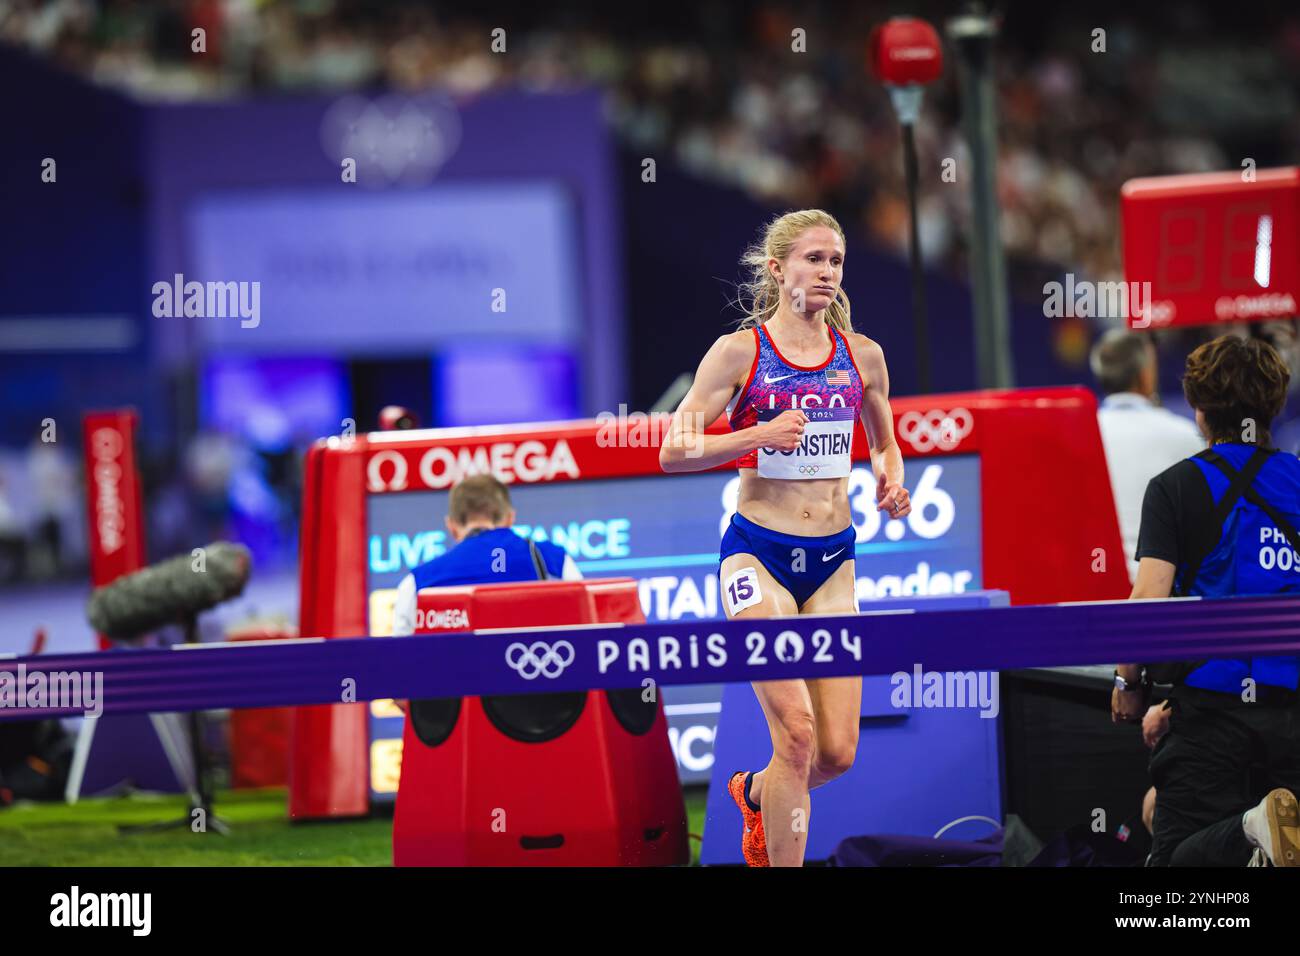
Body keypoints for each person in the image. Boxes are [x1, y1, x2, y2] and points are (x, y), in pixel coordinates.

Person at [660, 208, 911, 867]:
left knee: (835, 752)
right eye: (813, 259)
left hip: (833, 563)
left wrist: (891, 481)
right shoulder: (739, 353)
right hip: (757, 556)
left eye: (836, 261)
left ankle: (754, 794)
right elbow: (673, 449)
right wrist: (755, 436)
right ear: (778, 270)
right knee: (795, 736)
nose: (827, 272)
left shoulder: (864, 357)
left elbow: (887, 443)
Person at [1112, 334, 1300, 866]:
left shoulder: (1175, 487)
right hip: (1291, 713)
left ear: (1198, 410)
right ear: (1273, 405)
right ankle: (1257, 837)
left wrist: (1130, 684)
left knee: (1177, 870)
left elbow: (1147, 601)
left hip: (1213, 717)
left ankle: (1248, 831)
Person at [391, 474, 581, 636]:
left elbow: (402, 655)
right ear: (510, 518)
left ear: (451, 526)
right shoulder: (554, 560)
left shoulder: (418, 582)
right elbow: (585, 626)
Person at [1091, 329, 1203, 584]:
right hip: (1167, 589)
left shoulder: (1083, 436)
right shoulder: (1184, 435)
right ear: (1146, 374)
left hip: (1098, 589)